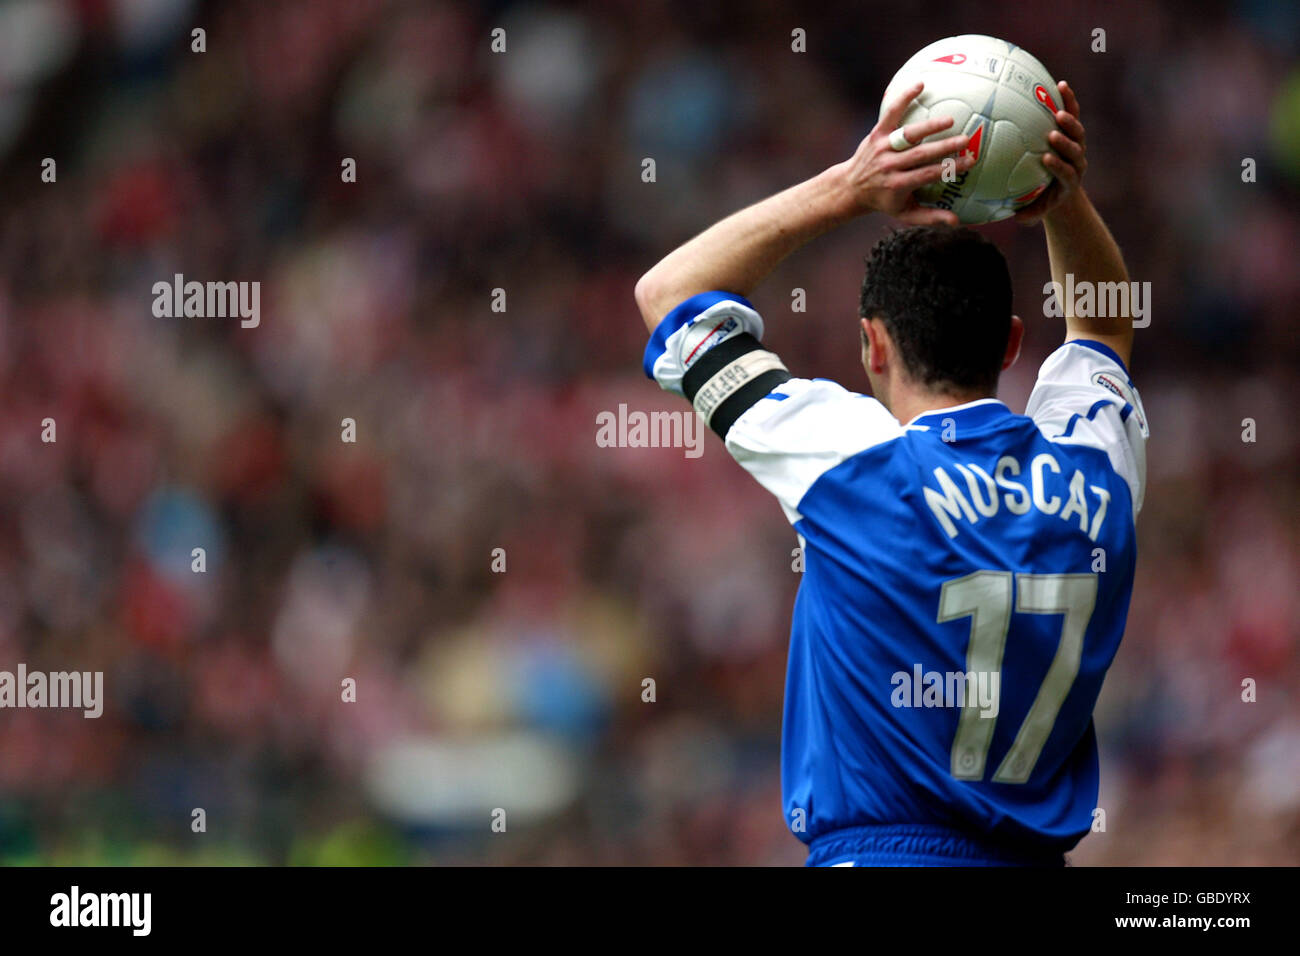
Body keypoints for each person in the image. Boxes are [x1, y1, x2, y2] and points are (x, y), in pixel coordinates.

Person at [633, 80, 1148, 866]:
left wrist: (850, 187)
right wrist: (1062, 197)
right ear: (1012, 344)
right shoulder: (1096, 471)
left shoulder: (852, 463)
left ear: (872, 345)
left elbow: (670, 293)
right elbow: (1105, 320)